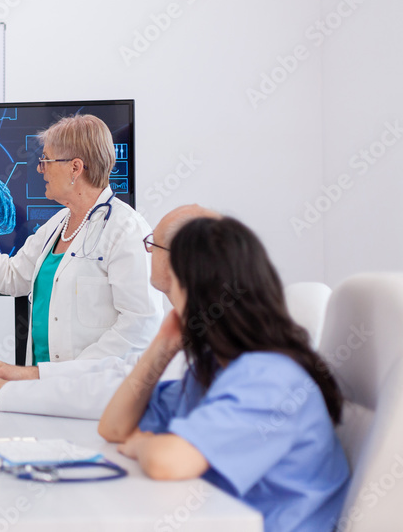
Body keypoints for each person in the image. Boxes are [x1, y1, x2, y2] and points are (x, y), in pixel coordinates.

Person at [98, 217, 349, 531]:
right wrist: (161, 346)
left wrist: (142, 446)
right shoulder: (214, 367)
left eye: (174, 290)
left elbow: (168, 462)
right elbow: (114, 427)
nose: (172, 306)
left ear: (199, 296)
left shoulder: (271, 379)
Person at [0, 114, 162, 387]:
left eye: (45, 160)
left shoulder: (125, 229)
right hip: (45, 386)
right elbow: (12, 276)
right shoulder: (59, 223)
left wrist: (60, 375)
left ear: (75, 167)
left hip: (95, 392)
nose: (40, 169)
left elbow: (141, 325)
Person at [0, 204, 215, 418]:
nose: (148, 251)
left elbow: (109, 392)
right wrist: (23, 375)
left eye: (153, 243)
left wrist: (4, 393)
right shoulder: (185, 326)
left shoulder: (205, 343)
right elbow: (121, 370)